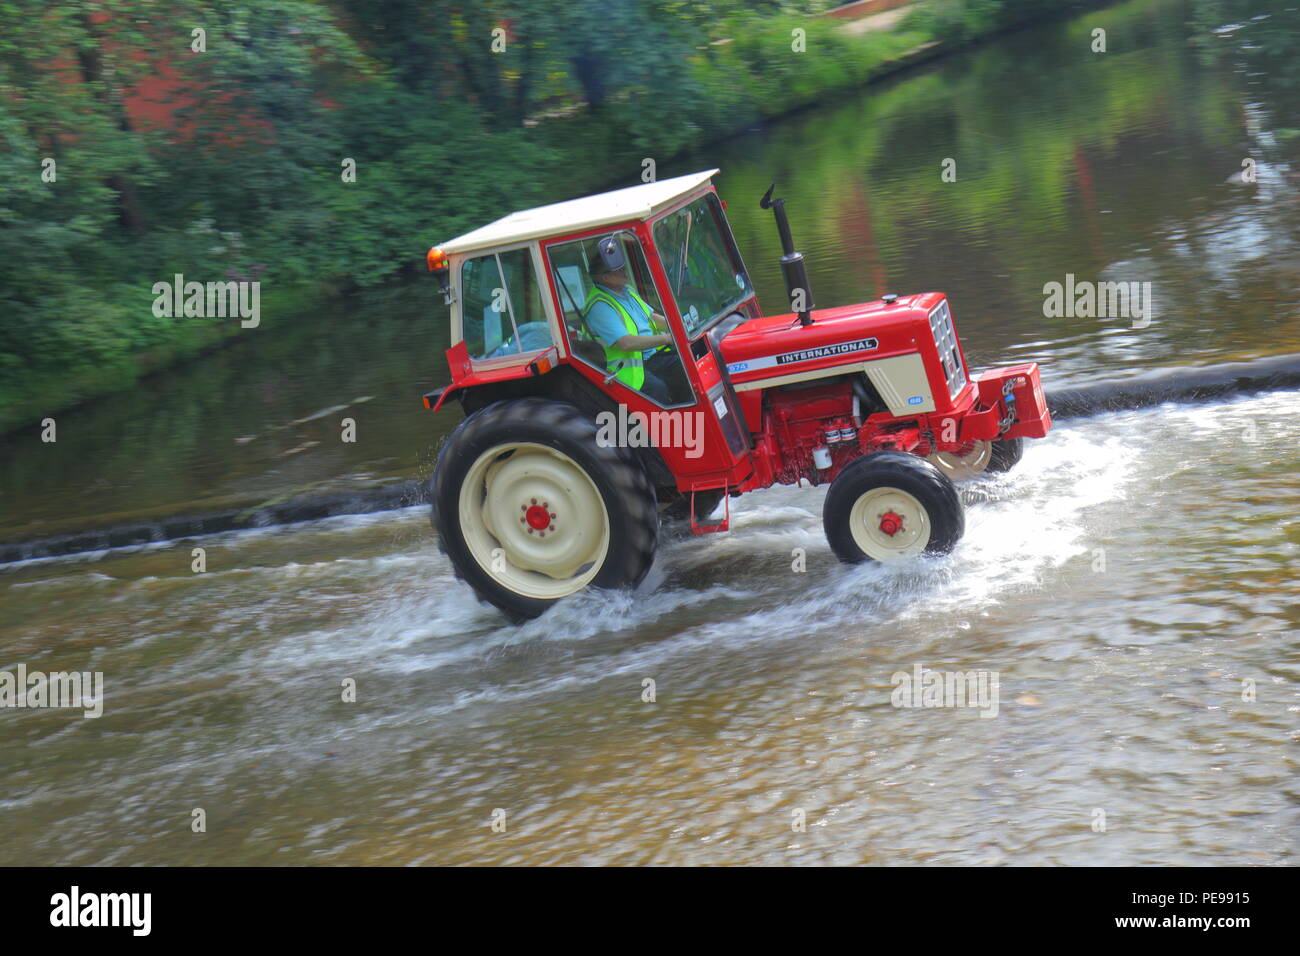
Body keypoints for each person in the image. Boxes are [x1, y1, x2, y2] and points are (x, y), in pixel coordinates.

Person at [582, 252, 683, 405]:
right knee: (658, 388)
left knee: (687, 366)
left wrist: (681, 326)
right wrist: (667, 338)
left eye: (622, 267)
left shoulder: (627, 291)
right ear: (606, 278)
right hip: (626, 370)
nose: (624, 271)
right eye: (619, 269)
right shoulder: (600, 306)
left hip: (651, 357)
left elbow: (651, 318)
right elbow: (626, 343)